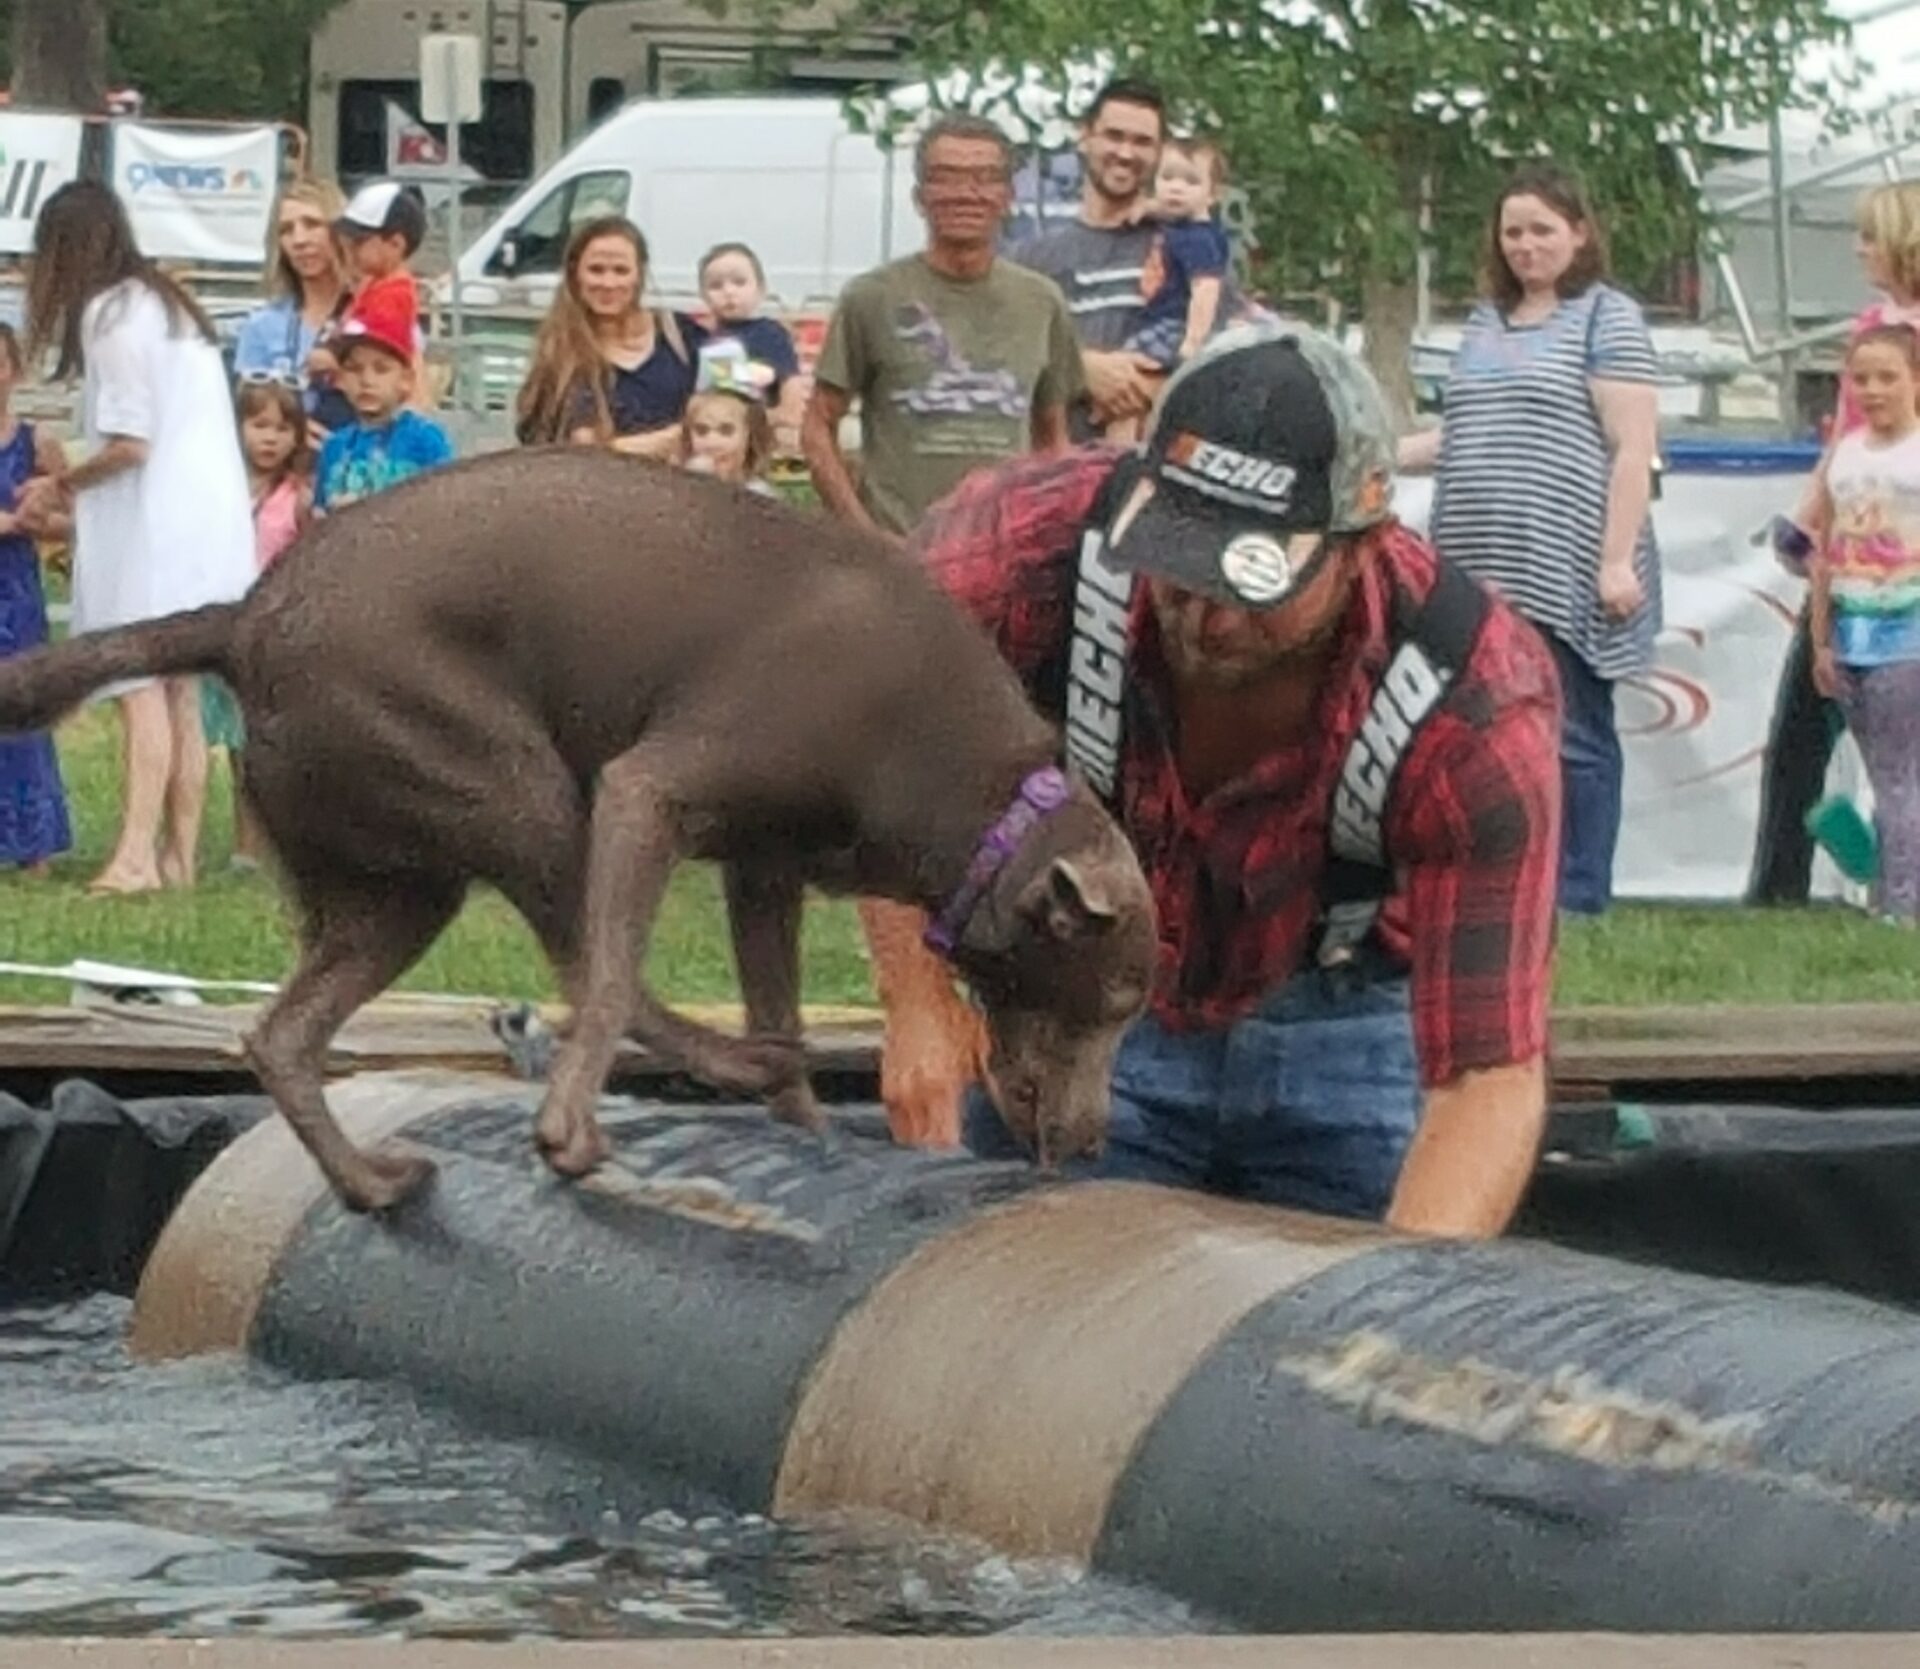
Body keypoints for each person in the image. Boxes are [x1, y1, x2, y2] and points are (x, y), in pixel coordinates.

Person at [864, 323, 1562, 1237]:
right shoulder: (1026, 547)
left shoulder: (1472, 703)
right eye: (1184, 566)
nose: (1209, 618)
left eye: (1254, 582)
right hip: (1084, 989)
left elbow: (1486, 1077)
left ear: (1359, 547)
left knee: (1342, 1331)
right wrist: (917, 998)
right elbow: (874, 718)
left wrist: (1392, 1321)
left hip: (1347, 1022)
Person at [1399, 162, 1660, 916]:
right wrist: (1374, 450)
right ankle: (1500, 881)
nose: (1525, 245)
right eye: (1513, 231)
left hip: (1568, 559)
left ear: (1578, 233)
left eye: (1542, 228)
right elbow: (1466, 433)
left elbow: (1632, 445)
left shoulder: (1608, 318)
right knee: (1482, 727)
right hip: (1479, 561)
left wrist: (1615, 559)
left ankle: (1581, 894)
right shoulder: (1485, 324)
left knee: (1575, 731)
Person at [19, 181, 256, 895]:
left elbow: (129, 443)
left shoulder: (111, 313)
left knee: (138, 684)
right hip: (210, 521)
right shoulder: (168, 304)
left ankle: (134, 857)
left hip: (160, 524)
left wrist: (61, 484)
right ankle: (178, 857)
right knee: (179, 686)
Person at [1752, 179, 1920, 905]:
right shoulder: (1870, 326)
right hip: (1850, 558)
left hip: (1907, 571)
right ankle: (1778, 885)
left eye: (1868, 236)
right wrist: (1804, 519)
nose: (1857, 249)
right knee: (1802, 718)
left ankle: (1897, 888)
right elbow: (1846, 445)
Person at [802, 112, 1082, 540]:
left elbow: (1053, 443)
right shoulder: (871, 297)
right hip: (900, 565)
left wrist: (1046, 535)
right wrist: (863, 536)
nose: (965, 193)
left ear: (1007, 197)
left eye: (984, 178)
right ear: (919, 196)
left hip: (1001, 561)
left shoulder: (1042, 302)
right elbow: (818, 427)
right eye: (946, 177)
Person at [1807, 325, 1920, 923]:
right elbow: (1824, 550)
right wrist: (1820, 639)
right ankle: (1889, 891)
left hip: (1909, 632)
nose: (1873, 390)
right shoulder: (1846, 454)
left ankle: (1904, 906)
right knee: (1884, 773)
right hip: (1853, 632)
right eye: (1862, 379)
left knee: (1902, 774)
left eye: (1888, 378)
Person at [210, 378, 313, 869]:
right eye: (258, 425)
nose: (269, 439)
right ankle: (244, 843)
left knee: (272, 741)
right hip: (226, 622)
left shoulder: (298, 499)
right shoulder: (217, 490)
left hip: (276, 628)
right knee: (234, 742)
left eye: (281, 428)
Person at [514, 216, 706, 455]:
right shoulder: (557, 355)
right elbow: (574, 451)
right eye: (596, 270)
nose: (608, 282)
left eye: (621, 270)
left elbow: (737, 412)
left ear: (640, 274)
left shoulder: (681, 336)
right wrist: (677, 436)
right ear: (575, 273)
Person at [0, 322, 72, 876]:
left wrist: (38, 518)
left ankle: (34, 844)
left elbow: (72, 518)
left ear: (15, 369)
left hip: (17, 592)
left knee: (24, 710)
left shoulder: (35, 442)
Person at [1106, 136, 1233, 443]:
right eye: (1167, 177)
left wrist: (1192, 341)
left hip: (1175, 324)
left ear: (1212, 194)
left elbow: (1206, 289)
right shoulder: (1185, 227)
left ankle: (1115, 455)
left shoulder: (1199, 240)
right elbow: (1167, 211)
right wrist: (1148, 208)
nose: (1176, 187)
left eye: (1190, 181)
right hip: (1163, 320)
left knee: (1123, 383)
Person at [230, 177, 353, 439]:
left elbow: (414, 400)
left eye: (312, 224)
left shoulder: (373, 312)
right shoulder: (261, 326)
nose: (299, 240)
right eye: (286, 230)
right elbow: (247, 415)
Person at [312, 287, 455, 513]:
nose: (367, 380)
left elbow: (447, 506)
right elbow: (319, 513)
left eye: (381, 369)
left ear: (406, 380)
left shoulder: (425, 439)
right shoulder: (334, 446)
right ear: (338, 380)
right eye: (354, 369)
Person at [696, 241, 806, 449]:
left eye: (739, 282)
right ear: (703, 295)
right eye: (716, 286)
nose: (728, 292)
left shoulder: (770, 334)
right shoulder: (701, 340)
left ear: (760, 289)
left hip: (762, 436)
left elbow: (792, 395)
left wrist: (766, 420)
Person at [678, 355, 776, 496]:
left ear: (750, 436)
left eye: (726, 431)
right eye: (701, 431)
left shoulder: (759, 495)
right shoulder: (679, 489)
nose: (712, 443)